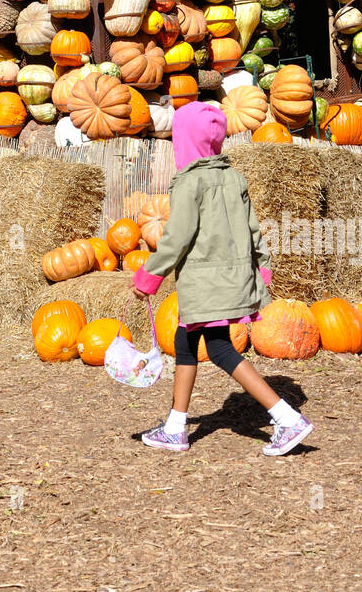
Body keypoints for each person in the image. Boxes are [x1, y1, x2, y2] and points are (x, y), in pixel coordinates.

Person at [133, 100, 313, 457]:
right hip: (231, 278)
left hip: (206, 283)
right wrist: (263, 267)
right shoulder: (233, 177)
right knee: (186, 342)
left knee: (218, 349)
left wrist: (148, 277)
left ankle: (285, 417)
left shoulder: (189, 182)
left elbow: (177, 236)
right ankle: (176, 427)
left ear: (184, 142)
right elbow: (253, 229)